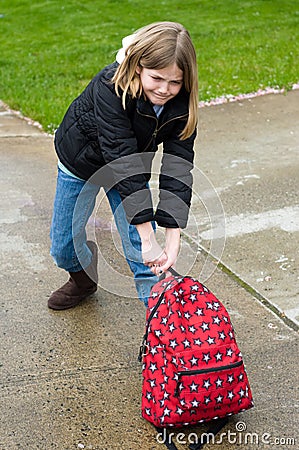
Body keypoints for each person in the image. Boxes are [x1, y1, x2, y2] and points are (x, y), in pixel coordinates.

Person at [48, 21, 199, 310]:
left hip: (128, 169)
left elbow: (178, 167)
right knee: (63, 248)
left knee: (142, 254)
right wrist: (148, 237)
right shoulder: (111, 87)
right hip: (83, 164)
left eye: (175, 82)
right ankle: (82, 279)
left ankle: (162, 326)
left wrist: (171, 237)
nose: (166, 90)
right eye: (156, 78)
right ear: (138, 66)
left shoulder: (181, 104)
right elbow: (121, 158)